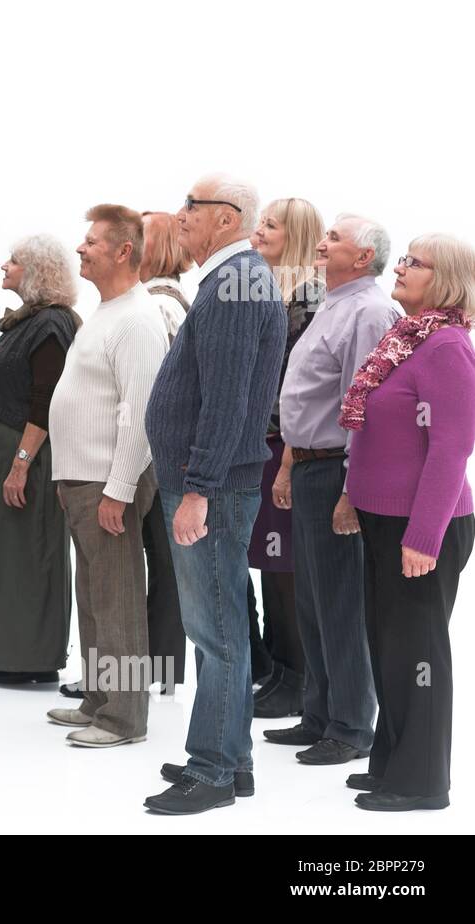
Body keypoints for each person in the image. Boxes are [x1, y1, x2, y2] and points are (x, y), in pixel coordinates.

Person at [143, 175, 286, 814]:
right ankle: (231, 758)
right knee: (217, 625)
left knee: (217, 630)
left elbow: (227, 401)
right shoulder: (235, 279)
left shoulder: (233, 283)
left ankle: (216, 769)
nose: (180, 215)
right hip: (214, 483)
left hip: (213, 487)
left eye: (191, 206)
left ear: (225, 219)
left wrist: (197, 489)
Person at [341, 234, 475, 811]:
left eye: (413, 262)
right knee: (390, 647)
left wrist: (424, 537)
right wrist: (352, 496)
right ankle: (392, 763)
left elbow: (452, 449)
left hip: (424, 527)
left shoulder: (446, 346)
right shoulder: (407, 338)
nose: (400, 268)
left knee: (417, 652)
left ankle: (422, 783)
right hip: (382, 520)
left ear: (443, 278)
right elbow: (378, 437)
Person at [269, 214, 398, 761]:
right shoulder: (332, 302)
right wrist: (289, 465)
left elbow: (361, 408)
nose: (322, 243)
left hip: (336, 472)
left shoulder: (369, 312)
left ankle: (349, 727)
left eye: (336, 239)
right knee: (313, 599)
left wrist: (350, 489)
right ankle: (318, 714)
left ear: (364, 257)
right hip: (309, 466)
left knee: (341, 600)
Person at [45, 205, 167, 748]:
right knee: (96, 598)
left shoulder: (139, 319)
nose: (80, 249)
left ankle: (125, 717)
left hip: (107, 484)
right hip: (84, 480)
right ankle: (99, 699)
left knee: (117, 601)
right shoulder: (108, 312)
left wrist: (118, 490)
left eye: (92, 242)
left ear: (123, 252)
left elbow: (140, 414)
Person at [0, 234, 79, 686]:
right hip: (7, 445)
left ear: (35, 272)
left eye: (14, 261)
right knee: (2, 554)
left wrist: (21, 463)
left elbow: (46, 402)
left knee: (32, 550)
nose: (4, 266)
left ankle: (34, 658)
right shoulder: (26, 321)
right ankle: (10, 652)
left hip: (30, 452)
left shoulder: (52, 324)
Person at [246, 198, 324, 719]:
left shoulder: (307, 299)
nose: (258, 233)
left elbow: (303, 387)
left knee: (285, 565)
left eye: (271, 226)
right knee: (272, 565)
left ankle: (296, 678)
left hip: (287, 444)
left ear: (294, 237)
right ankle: (280, 670)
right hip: (271, 443)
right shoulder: (275, 292)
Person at [138, 210, 190, 691]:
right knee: (164, 559)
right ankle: (162, 670)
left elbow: (153, 391)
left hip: (153, 457)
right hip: (162, 454)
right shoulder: (166, 301)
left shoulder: (158, 305)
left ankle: (157, 670)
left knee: (158, 560)